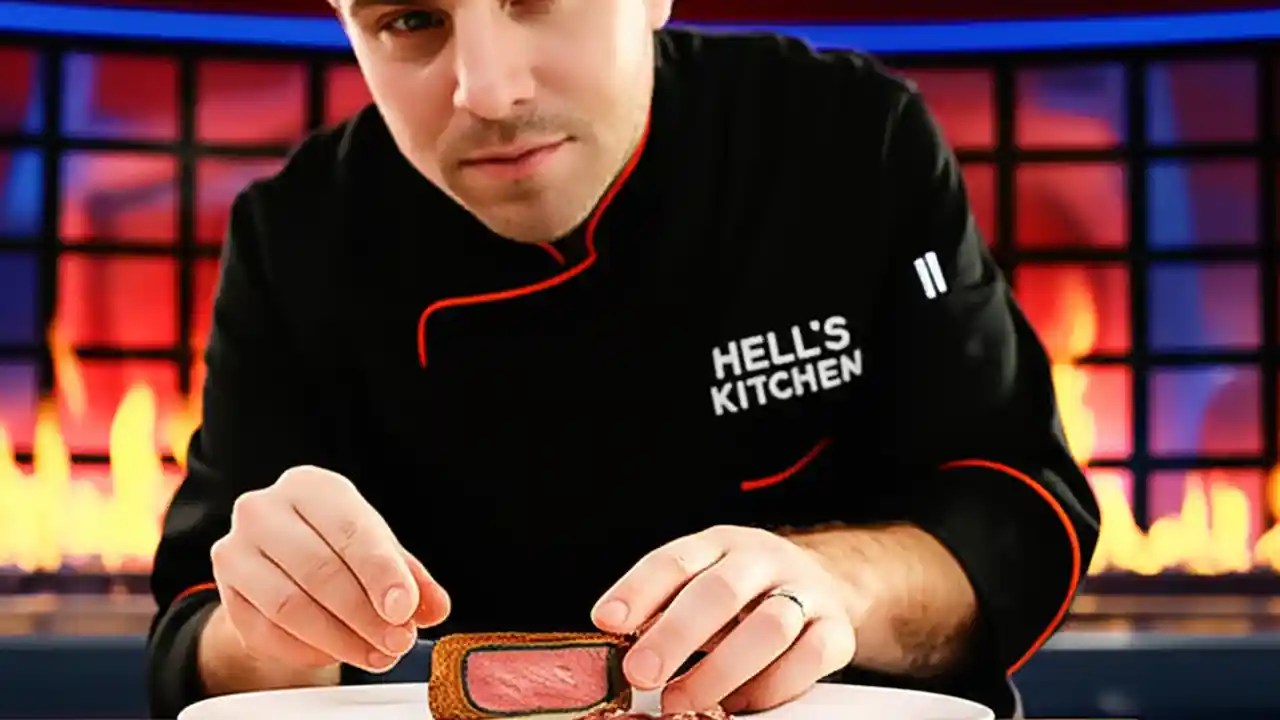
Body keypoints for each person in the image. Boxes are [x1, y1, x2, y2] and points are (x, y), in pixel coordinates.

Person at [146, 0, 1101, 718]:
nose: (488, 89)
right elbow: (197, 627)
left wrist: (837, 584)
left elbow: (1014, 501)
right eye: (409, 19)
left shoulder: (851, 139)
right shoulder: (295, 235)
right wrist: (269, 634)